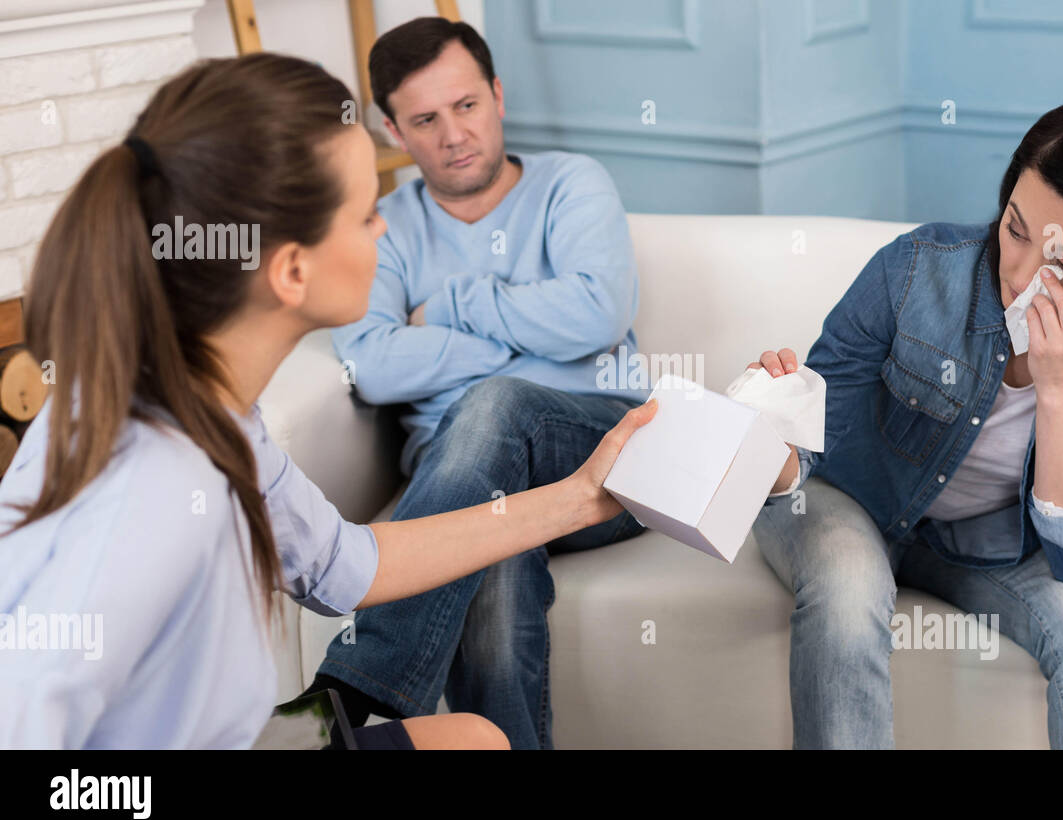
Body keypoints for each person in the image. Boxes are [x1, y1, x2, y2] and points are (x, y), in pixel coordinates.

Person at [0, 52, 655, 750]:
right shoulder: (158, 489)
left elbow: (348, 564)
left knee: (477, 740)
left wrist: (582, 495)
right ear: (290, 269)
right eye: (366, 214)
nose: (385, 230)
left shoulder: (215, 416)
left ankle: (339, 710)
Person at [751, 93, 1063, 748]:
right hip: (846, 503)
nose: (1019, 273)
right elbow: (821, 429)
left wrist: (1061, 388)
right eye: (1016, 228)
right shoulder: (914, 271)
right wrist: (777, 443)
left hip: (987, 544)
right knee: (848, 587)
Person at [303, 17, 645, 750]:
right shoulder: (382, 226)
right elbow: (371, 363)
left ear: (496, 94)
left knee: (496, 404)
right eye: (425, 119)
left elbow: (598, 312)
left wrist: (451, 309)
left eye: (466, 106)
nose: (454, 134)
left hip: (607, 454)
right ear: (395, 130)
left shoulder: (570, 184)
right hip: (469, 477)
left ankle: (350, 690)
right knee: (488, 556)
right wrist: (523, 336)